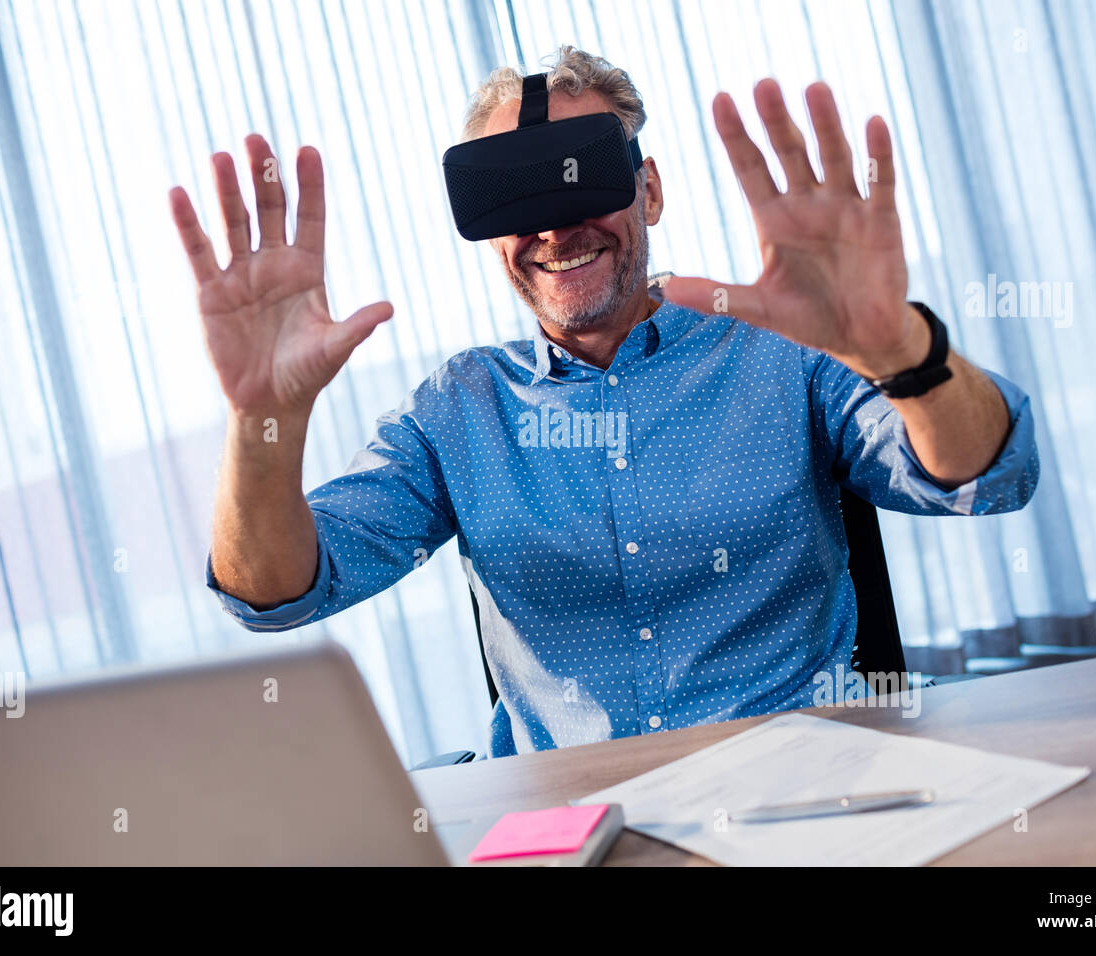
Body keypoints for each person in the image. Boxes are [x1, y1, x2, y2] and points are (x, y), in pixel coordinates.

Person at [169, 47, 1037, 757]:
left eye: (582, 184)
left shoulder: (782, 355)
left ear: (647, 189)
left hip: (805, 792)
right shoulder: (457, 411)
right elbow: (276, 592)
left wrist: (898, 353)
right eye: (521, 198)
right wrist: (260, 419)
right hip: (572, 826)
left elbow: (986, 474)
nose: (555, 228)